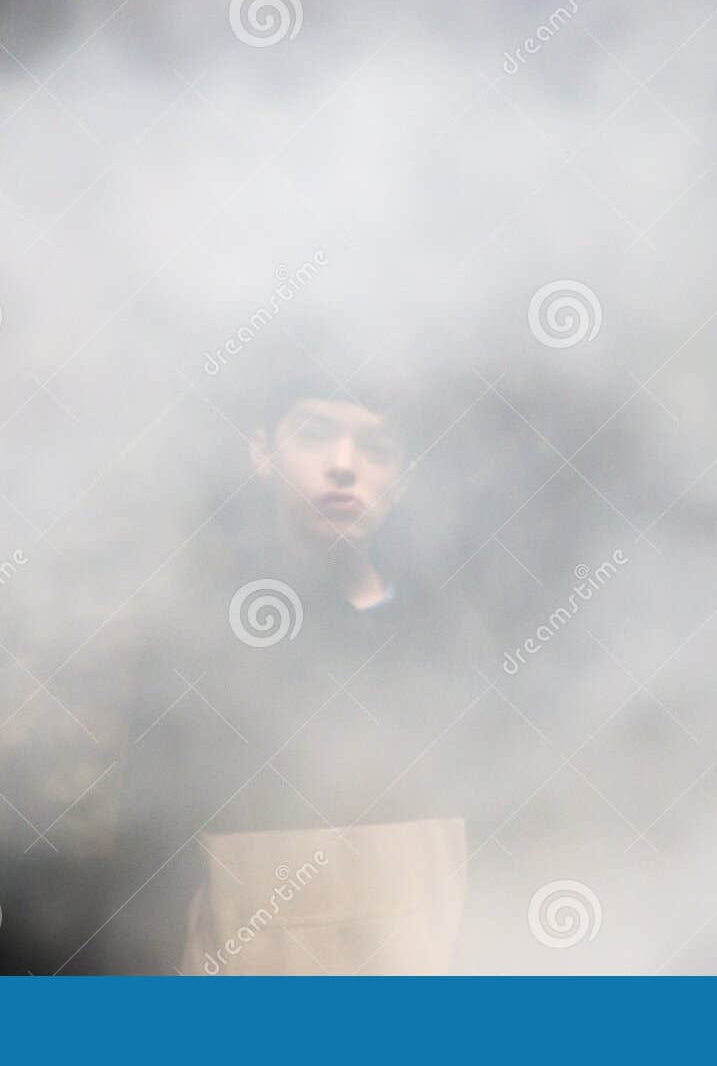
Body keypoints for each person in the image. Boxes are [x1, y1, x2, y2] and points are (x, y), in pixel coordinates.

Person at [103, 369, 488, 973]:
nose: (343, 464)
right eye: (315, 436)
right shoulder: (199, 636)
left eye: (376, 448)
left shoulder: (450, 643)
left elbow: (503, 866)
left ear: (404, 477)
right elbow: (142, 867)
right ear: (262, 451)